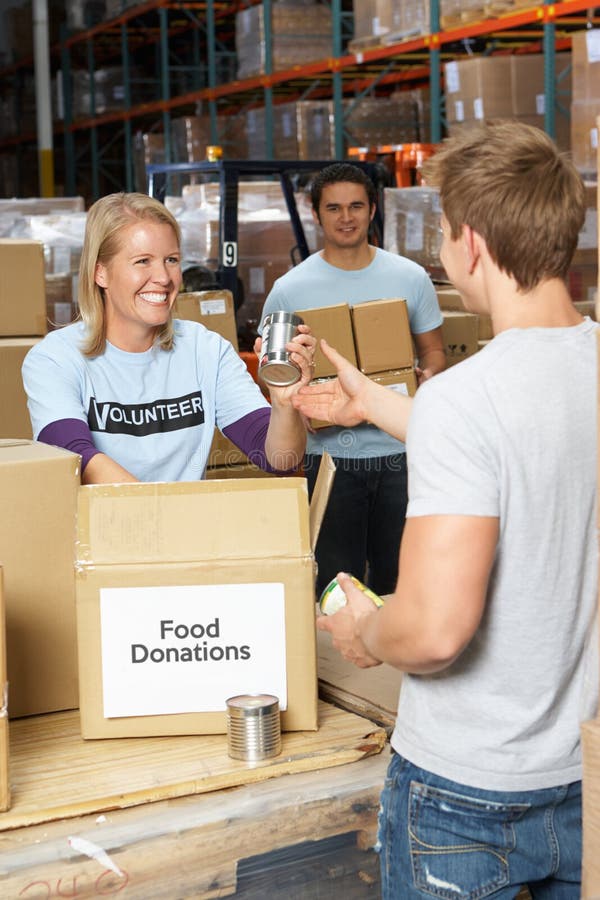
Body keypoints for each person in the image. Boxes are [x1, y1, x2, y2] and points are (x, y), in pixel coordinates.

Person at [292, 121, 598, 896]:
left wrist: (364, 627)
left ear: (470, 243)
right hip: (584, 777)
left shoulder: (469, 398)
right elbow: (526, 440)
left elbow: (430, 634)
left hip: (469, 795)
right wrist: (374, 404)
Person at [22, 192, 315, 483]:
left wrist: (283, 404)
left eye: (171, 260)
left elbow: (280, 460)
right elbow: (74, 457)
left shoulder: (206, 350)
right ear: (101, 273)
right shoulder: (54, 359)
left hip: (183, 525)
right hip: (103, 527)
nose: (163, 277)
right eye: (142, 261)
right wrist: (164, 517)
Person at [260, 161, 446, 598]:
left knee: (405, 586)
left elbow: (434, 350)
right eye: (335, 208)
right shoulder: (290, 290)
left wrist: (430, 376)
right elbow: (273, 377)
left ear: (372, 209)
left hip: (402, 458)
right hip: (330, 461)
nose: (346, 217)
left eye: (356, 206)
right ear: (317, 214)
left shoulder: (409, 278)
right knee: (336, 591)